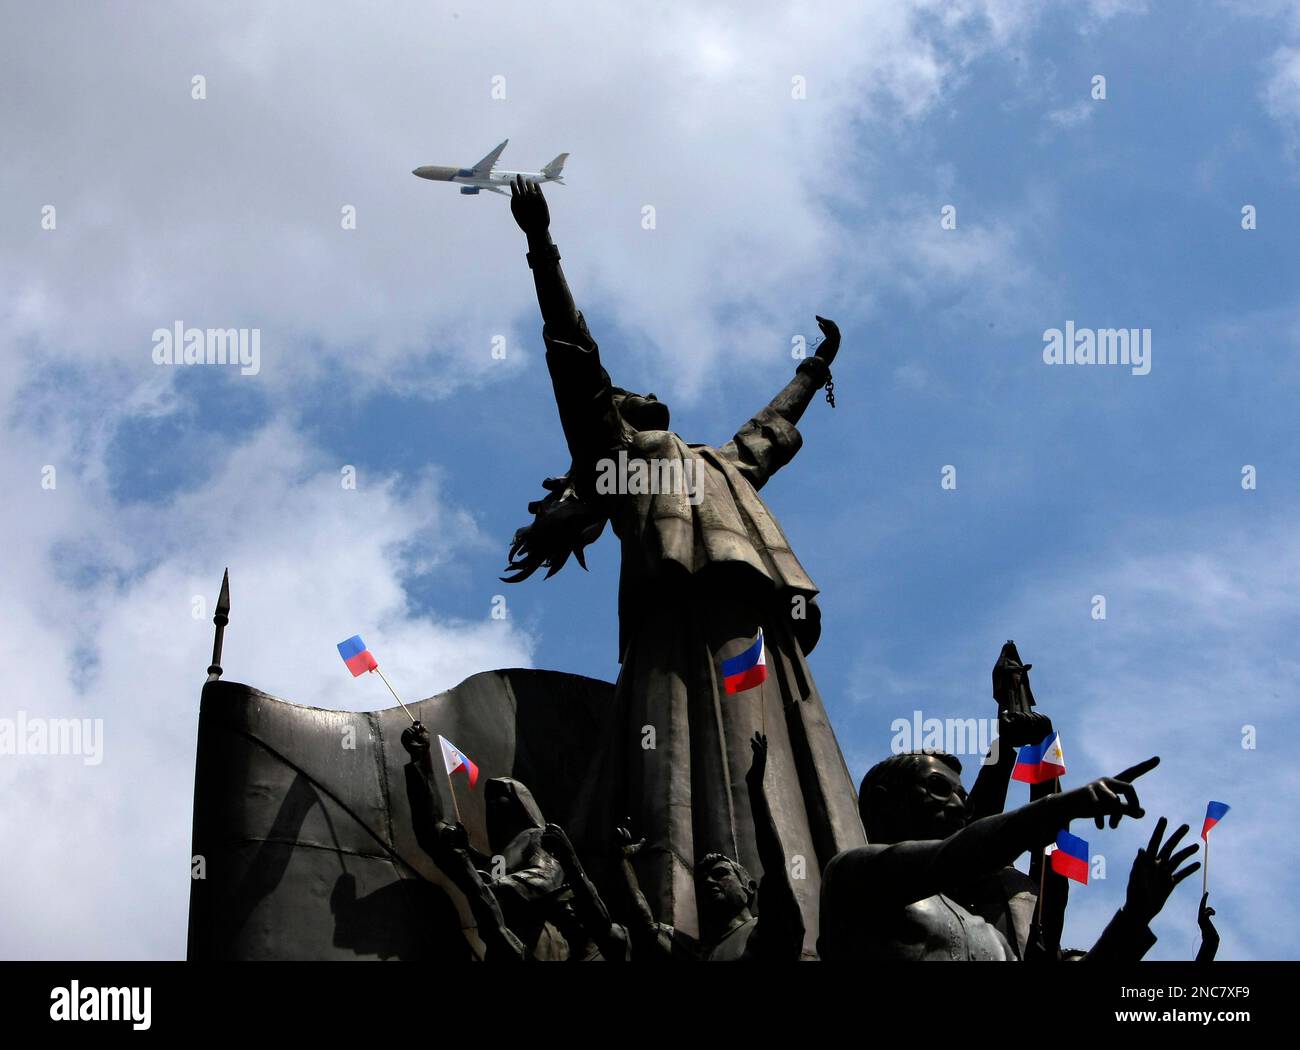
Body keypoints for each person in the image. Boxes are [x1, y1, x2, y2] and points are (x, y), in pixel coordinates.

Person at [503, 174, 865, 952]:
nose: (639, 396)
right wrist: (541, 248)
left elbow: (765, 434)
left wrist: (812, 370)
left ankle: (803, 893)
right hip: (686, 625)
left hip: (757, 623)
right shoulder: (625, 463)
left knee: (774, 736)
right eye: (626, 398)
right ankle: (698, 903)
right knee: (695, 753)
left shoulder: (716, 464)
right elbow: (575, 360)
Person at [817, 748, 1161, 960]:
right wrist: (1059, 807)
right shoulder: (853, 874)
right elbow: (962, 854)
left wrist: (1133, 916)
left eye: (963, 799)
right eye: (938, 790)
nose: (958, 806)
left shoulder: (988, 935)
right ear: (882, 801)